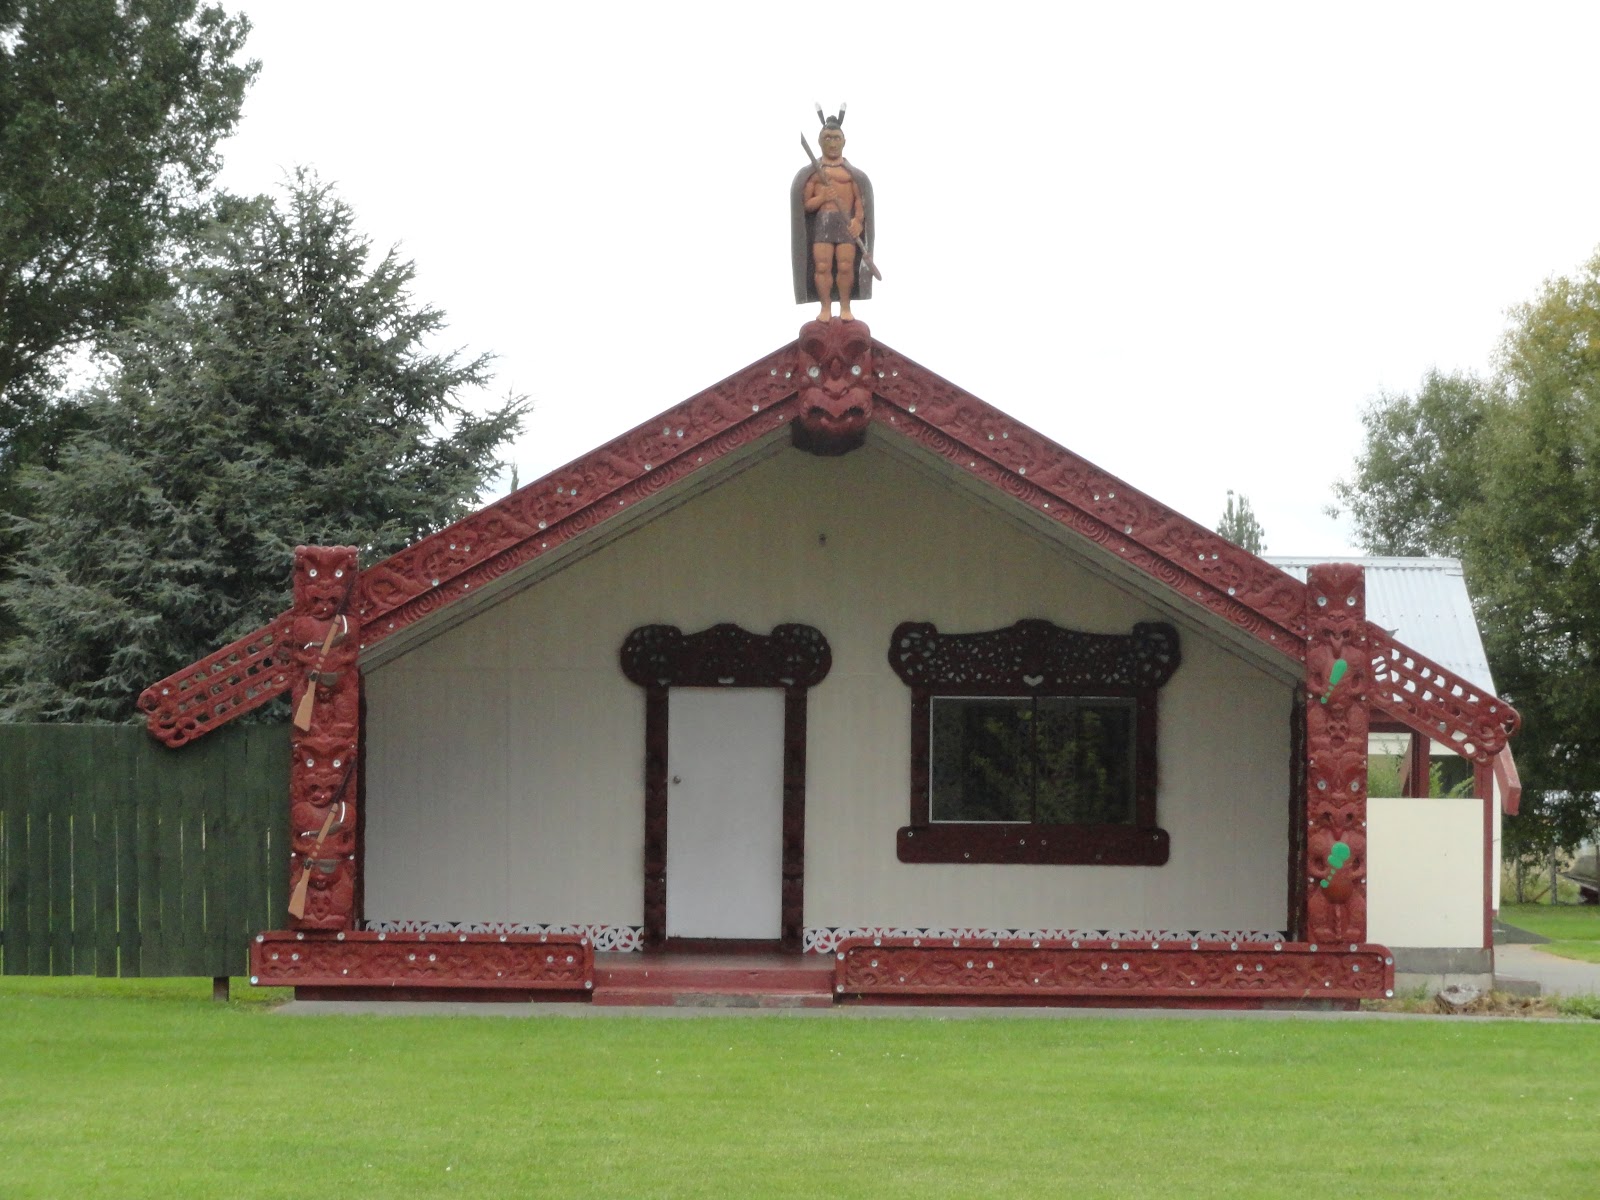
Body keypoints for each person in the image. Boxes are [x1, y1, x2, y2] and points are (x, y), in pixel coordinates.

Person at [790, 108, 873, 321]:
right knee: (822, 266)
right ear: (820, 141)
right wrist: (822, 197)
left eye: (836, 138)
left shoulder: (851, 174)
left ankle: (845, 306)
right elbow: (806, 205)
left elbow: (860, 200)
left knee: (845, 266)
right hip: (823, 222)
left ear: (844, 141)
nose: (832, 143)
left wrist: (858, 220)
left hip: (846, 224)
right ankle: (825, 307)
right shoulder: (814, 174)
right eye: (827, 138)